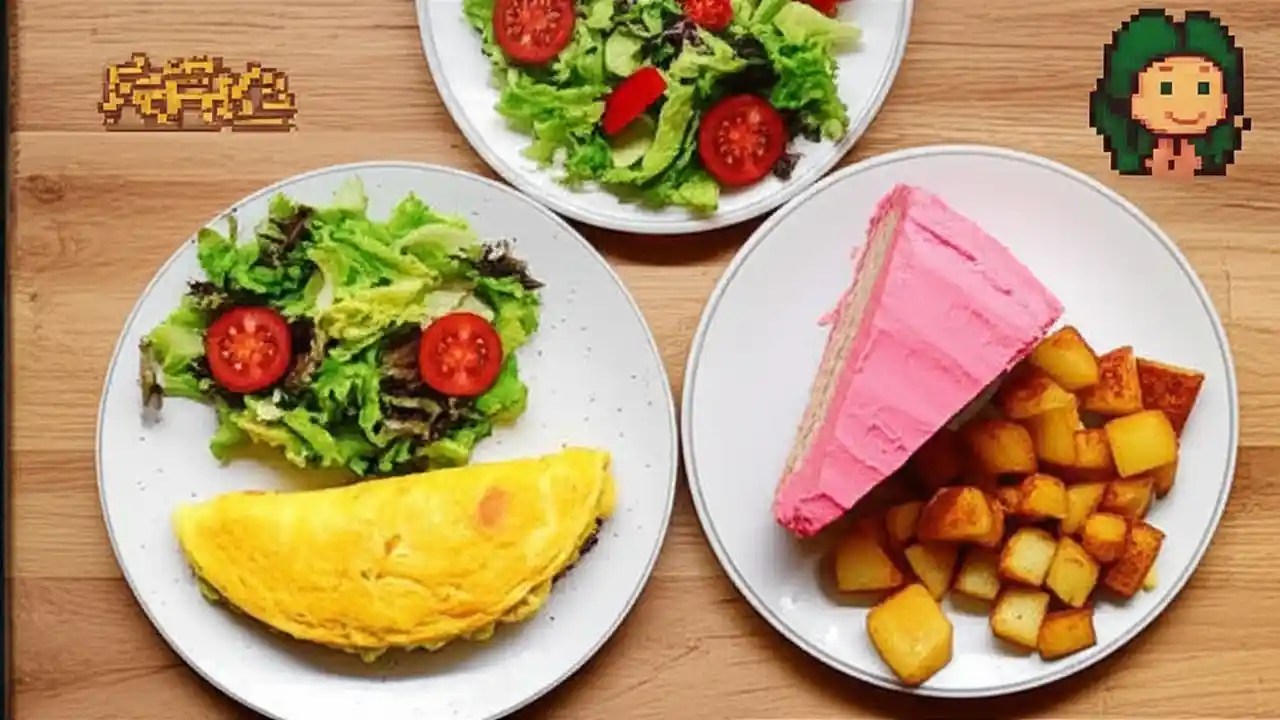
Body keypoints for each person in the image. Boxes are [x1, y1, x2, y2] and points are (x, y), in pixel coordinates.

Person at [1090, 9, 1248, 178]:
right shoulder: (1127, 142)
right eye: (1166, 89)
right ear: (1134, 99)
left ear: (1225, 99)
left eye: (1203, 88)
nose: (1186, 104)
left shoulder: (1219, 145)